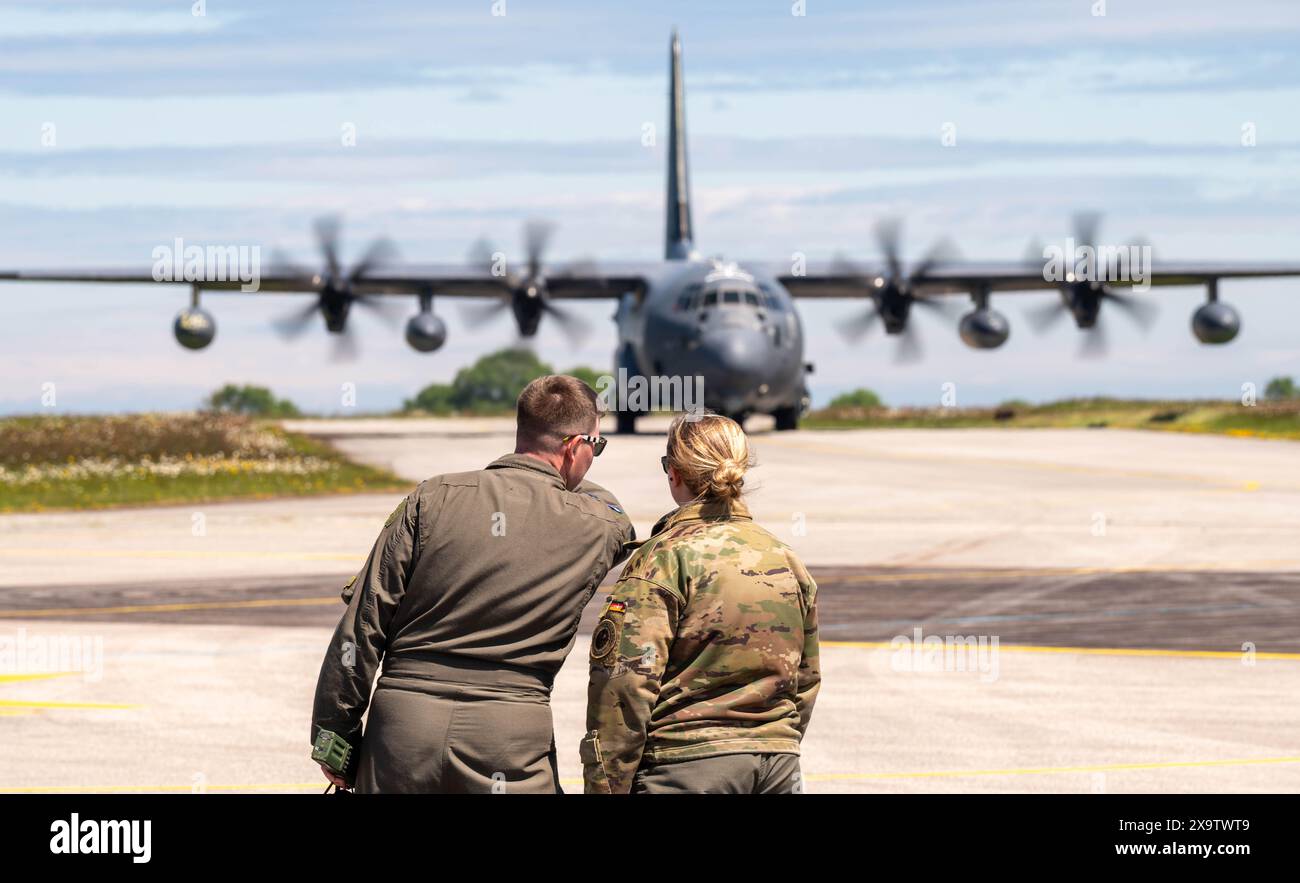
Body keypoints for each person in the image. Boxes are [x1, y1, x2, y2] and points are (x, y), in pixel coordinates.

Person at [311, 374, 633, 793]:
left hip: (403, 730)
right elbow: (615, 512)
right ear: (575, 447)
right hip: (508, 737)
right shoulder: (599, 523)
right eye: (596, 446)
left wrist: (335, 735)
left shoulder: (432, 497)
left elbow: (364, 623)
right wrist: (550, 477)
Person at [582, 413, 820, 794]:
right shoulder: (784, 557)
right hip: (778, 766)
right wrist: (775, 742)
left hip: (685, 765)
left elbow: (625, 685)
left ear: (674, 473)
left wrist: (604, 785)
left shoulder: (664, 558)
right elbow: (805, 680)